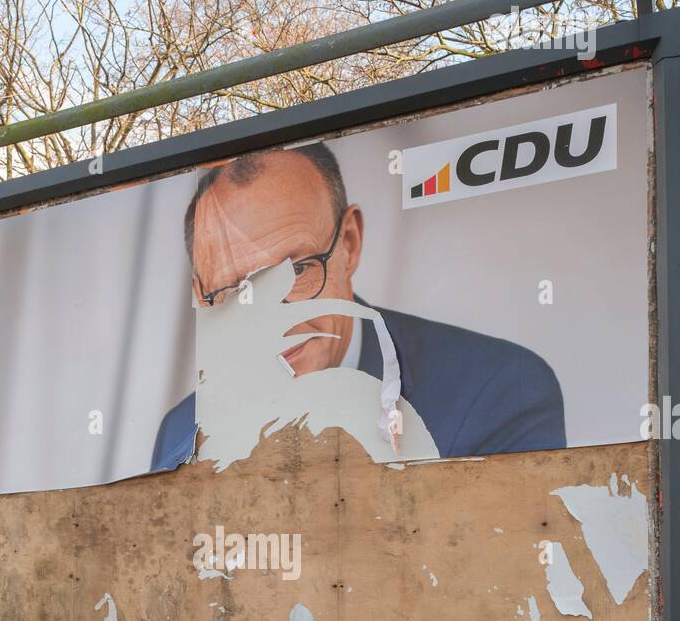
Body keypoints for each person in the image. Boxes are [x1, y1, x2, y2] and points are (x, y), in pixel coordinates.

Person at [151, 141, 565, 471]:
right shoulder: (180, 432)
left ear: (349, 243)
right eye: (231, 292)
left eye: (296, 270)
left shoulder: (501, 392)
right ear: (199, 298)